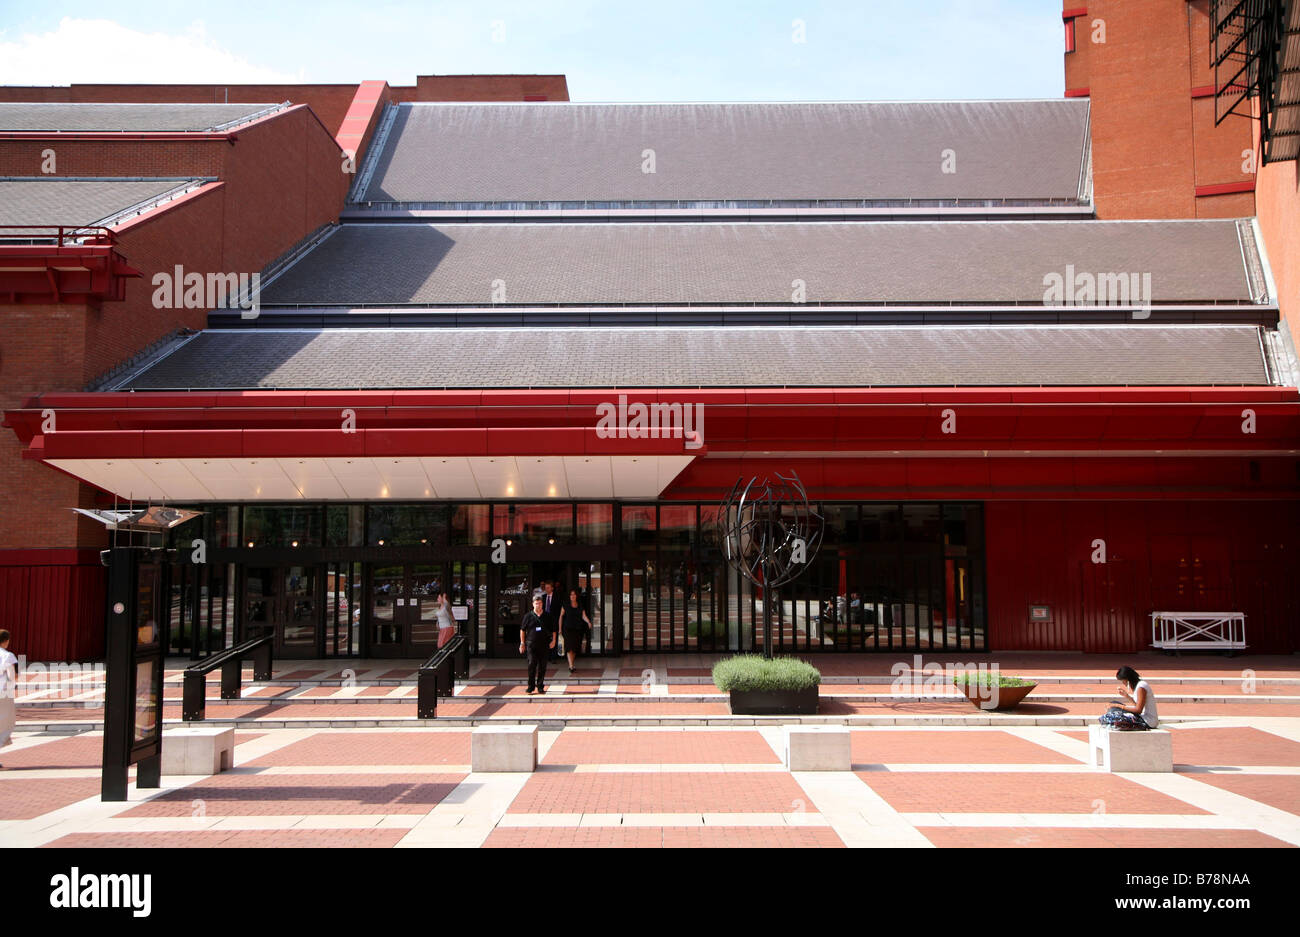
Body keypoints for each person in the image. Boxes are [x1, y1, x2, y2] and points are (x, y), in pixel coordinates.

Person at [1100, 665, 1158, 730]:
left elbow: (1138, 710)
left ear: (1127, 679)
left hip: (1148, 721)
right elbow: (1136, 706)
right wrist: (1127, 696)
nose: (1123, 683)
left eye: (1123, 680)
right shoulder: (1138, 686)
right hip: (1142, 717)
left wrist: (1118, 706)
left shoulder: (1141, 687)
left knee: (1114, 708)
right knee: (1113, 704)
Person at [519, 595, 556, 694]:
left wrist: (553, 641)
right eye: (536, 603)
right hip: (531, 645)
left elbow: (553, 630)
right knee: (531, 664)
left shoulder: (548, 616)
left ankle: (540, 686)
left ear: (542, 604)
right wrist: (522, 643)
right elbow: (522, 630)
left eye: (540, 603)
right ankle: (531, 686)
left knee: (542, 666)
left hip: (544, 645)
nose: (538, 605)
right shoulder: (528, 616)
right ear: (533, 604)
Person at [558, 589, 593, 673]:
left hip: (577, 629)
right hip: (567, 629)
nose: (572, 596)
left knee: (574, 648)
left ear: (576, 596)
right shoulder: (565, 605)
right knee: (569, 648)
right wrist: (559, 629)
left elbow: (583, 615)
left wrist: (588, 622)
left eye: (574, 594)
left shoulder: (580, 605)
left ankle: (572, 664)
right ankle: (570, 666)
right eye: (571, 595)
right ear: (569, 596)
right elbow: (561, 616)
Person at [0, 630, 16, 767]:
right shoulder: (7, 655)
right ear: (5, 641)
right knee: (5, 722)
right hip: (3, 692)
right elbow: (11, 674)